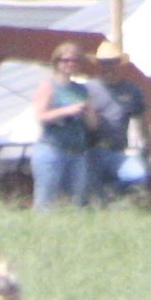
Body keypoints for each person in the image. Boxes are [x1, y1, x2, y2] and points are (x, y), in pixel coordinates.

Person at [29, 41, 96, 208]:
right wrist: (67, 111)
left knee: (75, 202)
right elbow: (40, 116)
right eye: (65, 60)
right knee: (46, 201)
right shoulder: (48, 86)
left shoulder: (81, 89)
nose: (70, 64)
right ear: (57, 62)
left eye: (75, 60)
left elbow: (93, 125)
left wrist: (88, 111)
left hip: (77, 152)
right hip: (52, 150)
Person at [88, 41, 149, 198]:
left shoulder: (132, 90)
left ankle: (110, 193)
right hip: (90, 151)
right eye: (105, 63)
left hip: (118, 151)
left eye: (113, 63)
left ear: (120, 64)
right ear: (99, 65)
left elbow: (141, 121)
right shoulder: (87, 89)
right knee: (90, 193)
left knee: (138, 175)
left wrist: (147, 147)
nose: (109, 67)